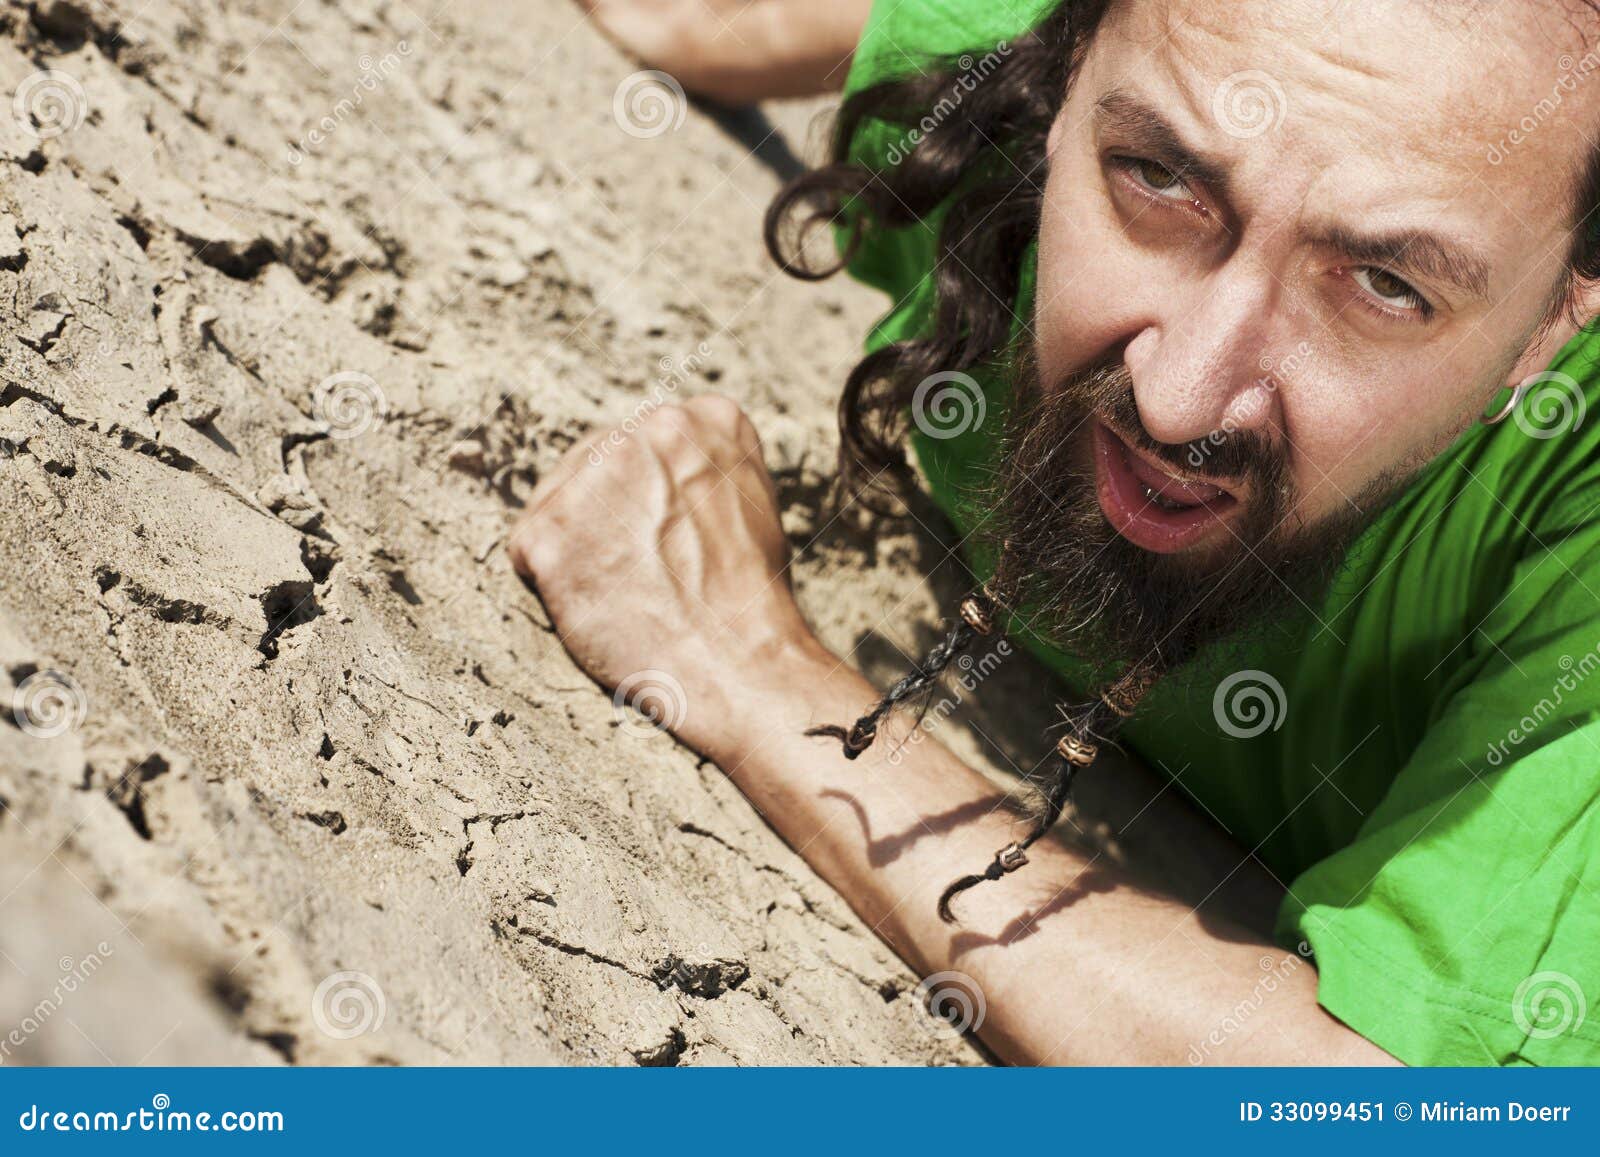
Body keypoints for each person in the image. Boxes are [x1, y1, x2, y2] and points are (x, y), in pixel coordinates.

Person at [516, 0, 1600, 1065]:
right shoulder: (967, 104)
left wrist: (747, 667)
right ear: (1064, 73)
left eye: (1382, 284)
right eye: (1158, 177)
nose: (1177, 399)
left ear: (1552, 323)